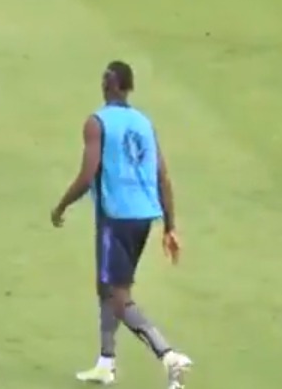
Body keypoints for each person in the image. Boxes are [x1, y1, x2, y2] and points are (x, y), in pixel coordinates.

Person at [50, 61, 191, 389]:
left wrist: (61, 206)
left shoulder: (97, 123)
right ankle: (105, 363)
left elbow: (88, 175)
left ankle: (168, 355)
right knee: (106, 286)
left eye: (106, 79)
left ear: (109, 85)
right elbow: (162, 176)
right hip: (144, 215)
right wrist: (170, 225)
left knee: (117, 296)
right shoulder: (144, 123)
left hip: (116, 217)